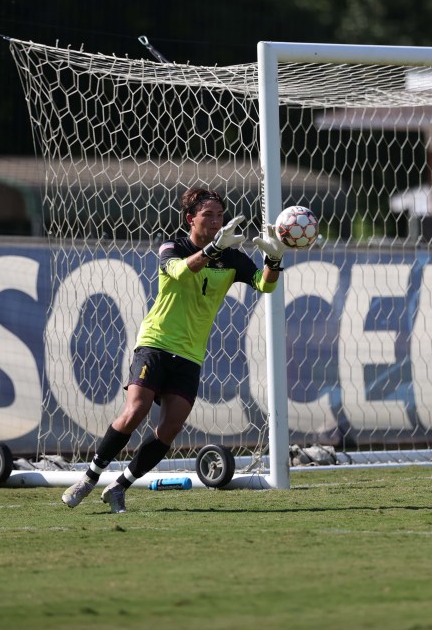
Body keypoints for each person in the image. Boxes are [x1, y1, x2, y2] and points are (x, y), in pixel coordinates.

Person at [61, 186, 286, 513]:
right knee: (135, 411)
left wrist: (275, 259)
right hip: (156, 342)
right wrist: (211, 249)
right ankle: (89, 477)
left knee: (170, 428)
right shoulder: (173, 247)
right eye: (208, 215)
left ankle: (120, 486)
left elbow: (265, 284)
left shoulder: (232, 256)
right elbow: (179, 271)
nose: (215, 221)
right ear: (190, 219)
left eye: (220, 216)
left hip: (191, 354)